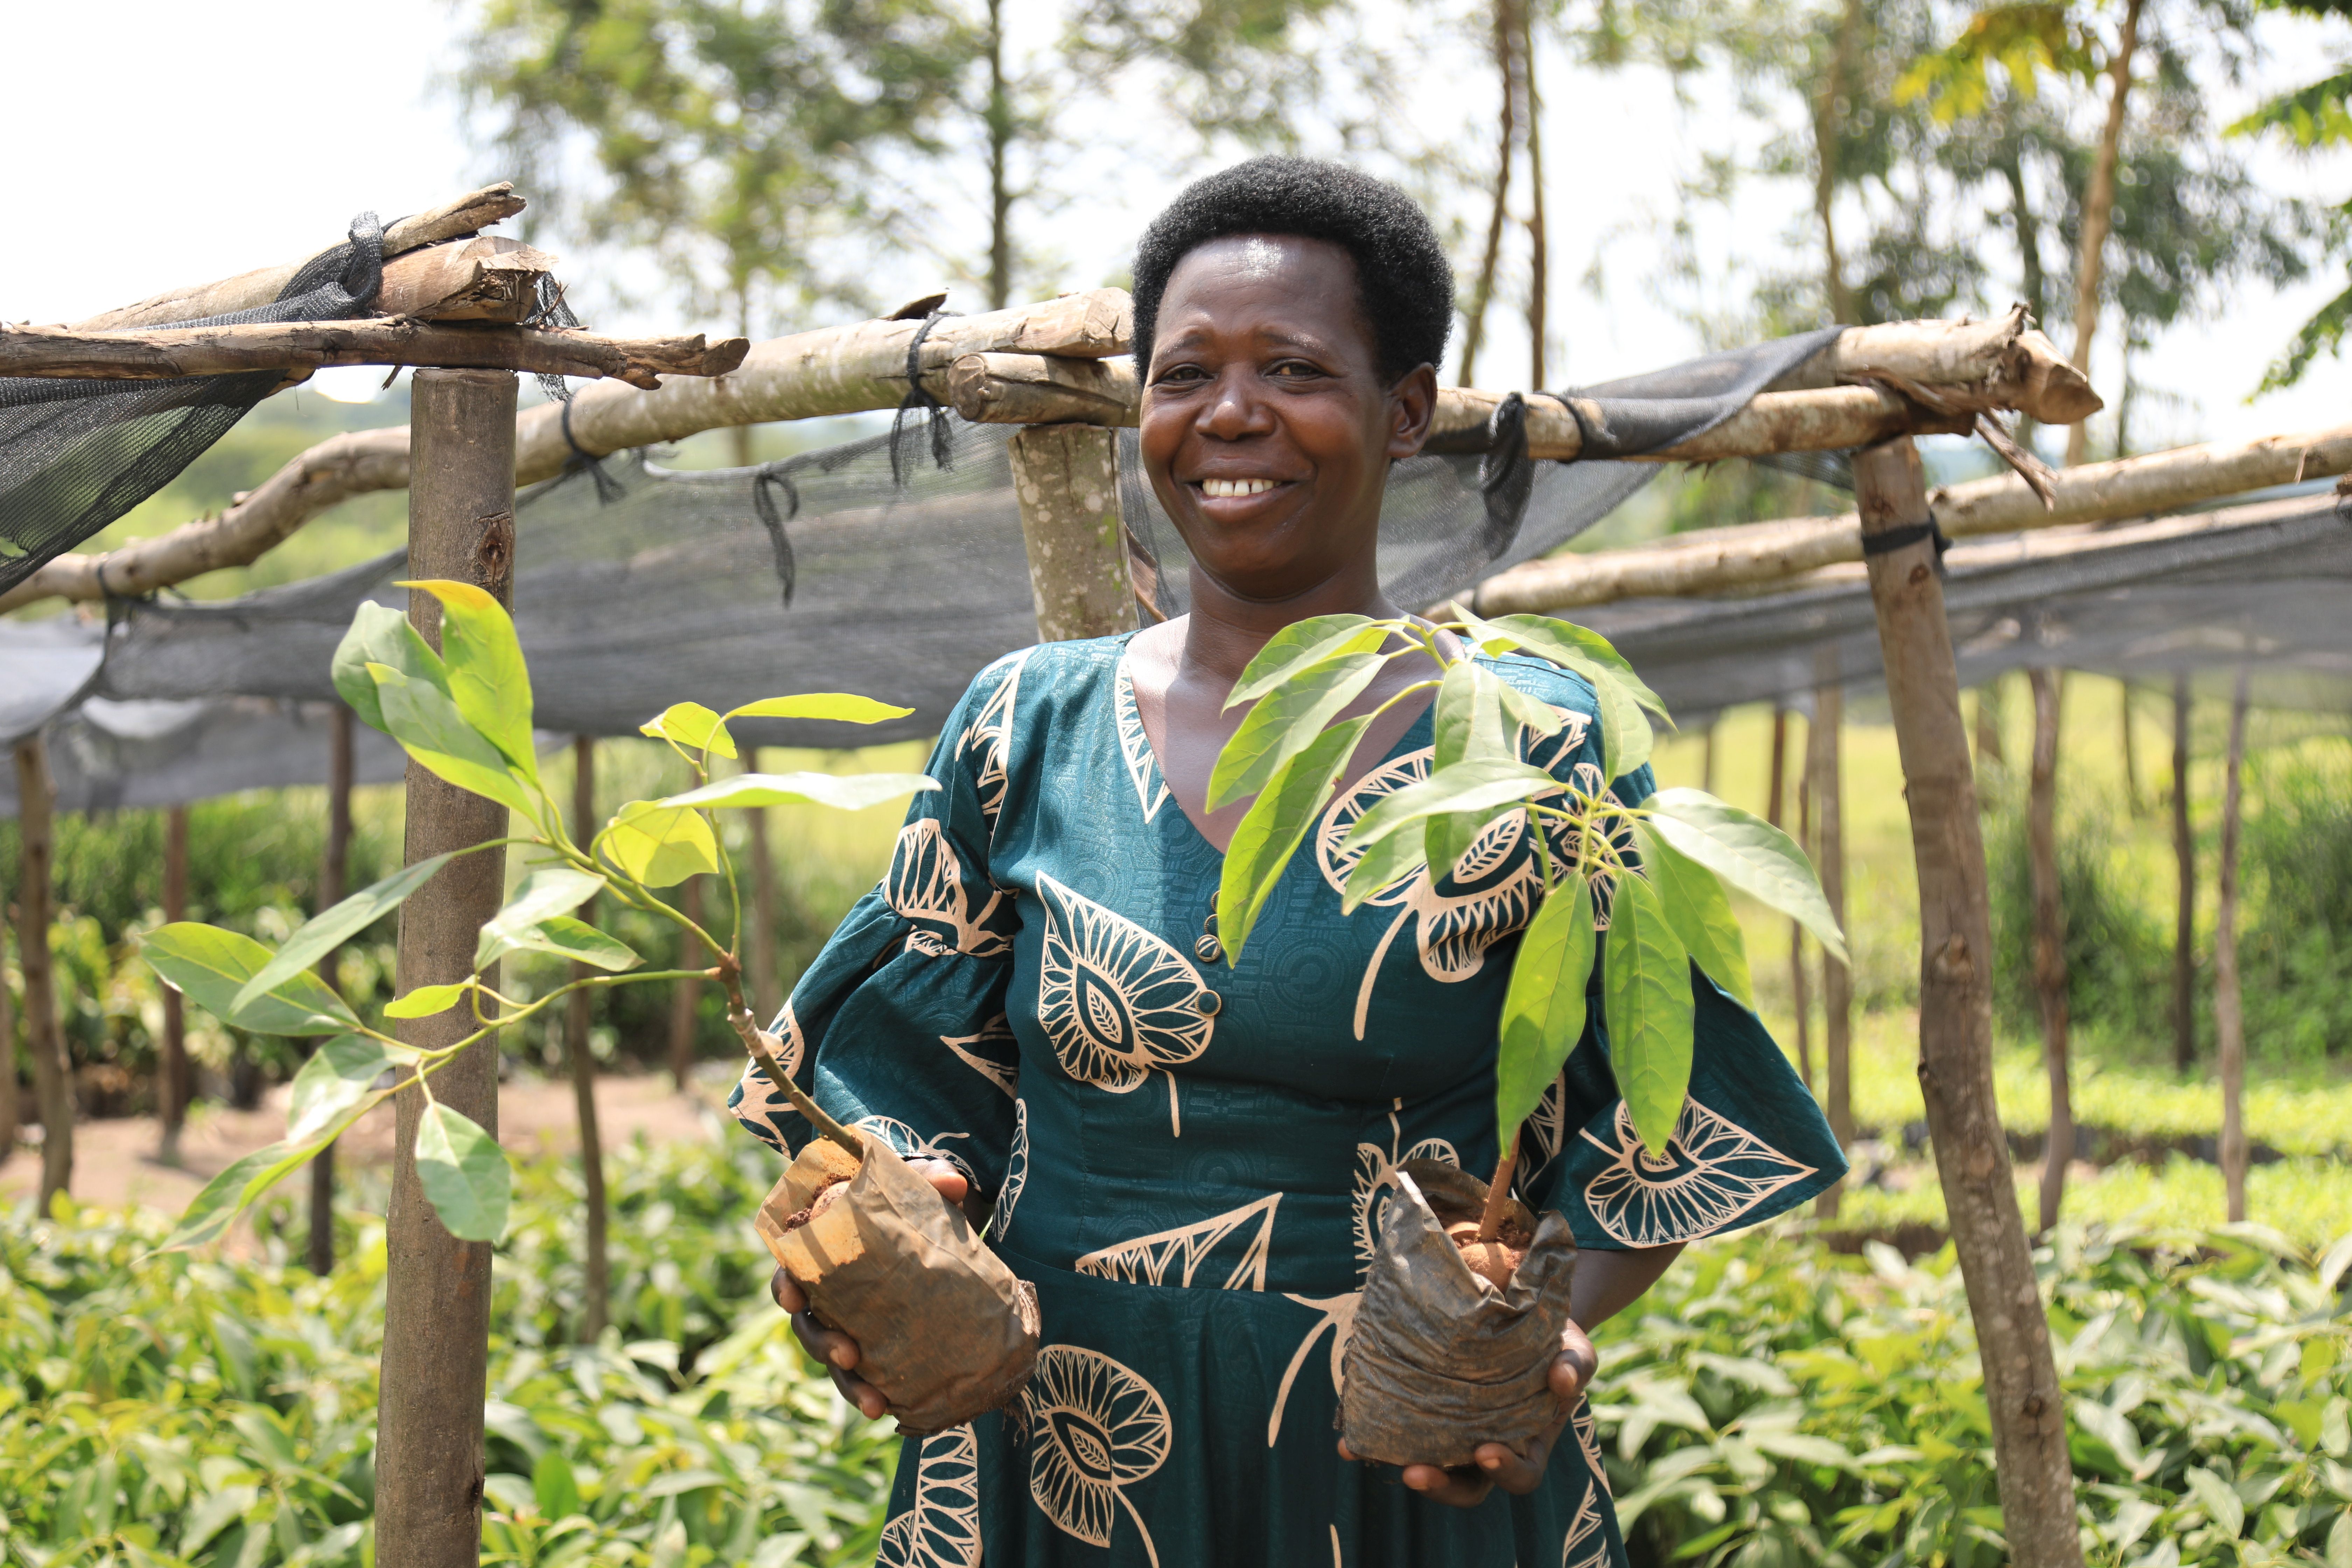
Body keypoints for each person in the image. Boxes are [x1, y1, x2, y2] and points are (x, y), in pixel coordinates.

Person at [733, 156, 1844, 1568]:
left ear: (1406, 410)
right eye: (1184, 370)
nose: (1231, 413)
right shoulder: (1024, 726)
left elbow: (1664, 1114)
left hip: (1399, 1446)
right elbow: (897, 1083)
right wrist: (875, 1247)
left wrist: (1537, 1336)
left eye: (1294, 367)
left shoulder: (1530, 745)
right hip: (1065, 1456)